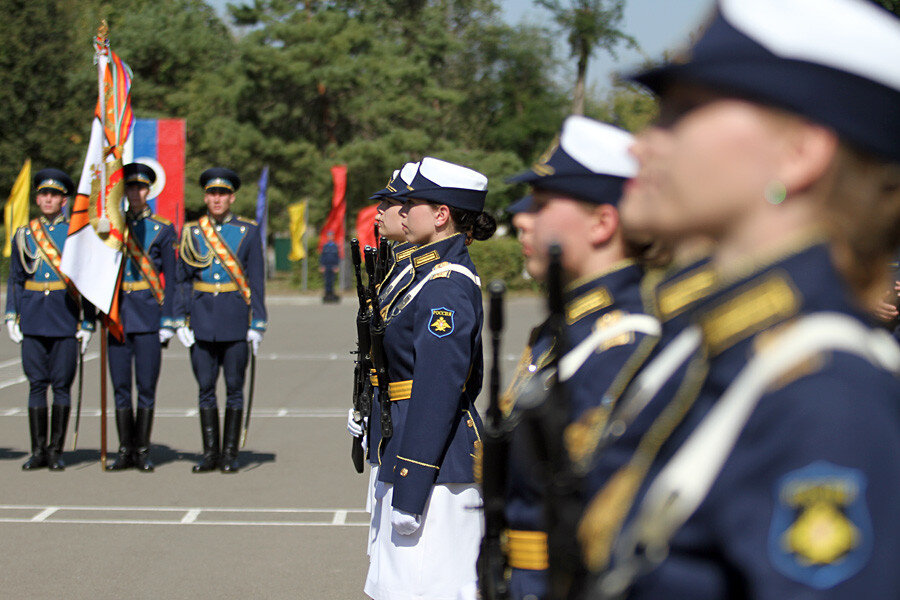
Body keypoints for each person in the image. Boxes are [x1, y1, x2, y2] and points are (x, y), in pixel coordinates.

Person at [580, 1, 900, 597]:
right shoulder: (719, 350)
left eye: (682, 112)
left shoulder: (823, 401)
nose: (639, 146)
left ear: (798, 154)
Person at [491, 116, 663, 600]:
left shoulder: (625, 344)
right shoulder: (565, 330)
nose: (522, 217)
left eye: (543, 204)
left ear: (603, 223)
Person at [364, 157, 496, 600]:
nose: (400, 211)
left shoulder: (446, 285)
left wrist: (412, 482)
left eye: (412, 203)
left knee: (424, 589)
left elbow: (438, 391)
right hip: (405, 444)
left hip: (435, 466)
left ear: (441, 215)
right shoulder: (425, 274)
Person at [175, 167, 267, 473]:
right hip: (201, 319)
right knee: (204, 388)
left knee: (234, 388)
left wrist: (258, 322)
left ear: (232, 197)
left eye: (223, 194)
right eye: (212, 193)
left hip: (234, 318)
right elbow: (182, 280)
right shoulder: (191, 233)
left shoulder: (248, 232)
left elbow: (256, 280)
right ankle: (209, 453)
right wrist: (180, 318)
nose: (217, 199)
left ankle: (230, 454)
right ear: (205, 197)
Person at [5, 168, 95, 471]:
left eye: (54, 195)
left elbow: (86, 280)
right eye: (43, 194)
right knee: (35, 385)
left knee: (60, 386)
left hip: (64, 317)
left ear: (64, 200)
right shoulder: (24, 233)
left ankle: (56, 450)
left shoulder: (76, 232)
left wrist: (88, 322)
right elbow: (16, 279)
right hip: (33, 317)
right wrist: (11, 314)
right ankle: (38, 450)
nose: (47, 199)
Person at [105, 163, 177, 472]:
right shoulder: (111, 227)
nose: (136, 193)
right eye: (131, 187)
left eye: (142, 187)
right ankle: (125, 449)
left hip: (148, 316)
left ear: (150, 191)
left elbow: (171, 280)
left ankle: (143, 450)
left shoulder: (162, 228)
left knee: (146, 387)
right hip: (118, 317)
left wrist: (168, 320)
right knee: (121, 387)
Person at [320, 231, 340, 303]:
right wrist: (322, 265)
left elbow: (337, 257)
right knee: (327, 281)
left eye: (331, 236)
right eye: (329, 236)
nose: (330, 237)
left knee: (332, 281)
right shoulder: (325, 246)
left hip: (333, 266)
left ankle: (331, 295)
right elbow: (322, 256)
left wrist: (337, 266)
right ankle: (327, 295)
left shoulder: (335, 246)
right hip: (326, 266)